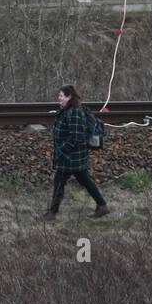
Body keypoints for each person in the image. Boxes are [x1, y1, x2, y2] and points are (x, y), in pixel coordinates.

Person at [47, 85, 109, 219]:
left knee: (59, 182)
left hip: (70, 157)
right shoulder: (68, 110)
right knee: (83, 180)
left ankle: (52, 212)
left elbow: (77, 136)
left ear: (69, 97)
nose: (59, 98)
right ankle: (102, 205)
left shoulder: (73, 112)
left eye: (61, 96)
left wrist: (62, 150)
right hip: (73, 156)